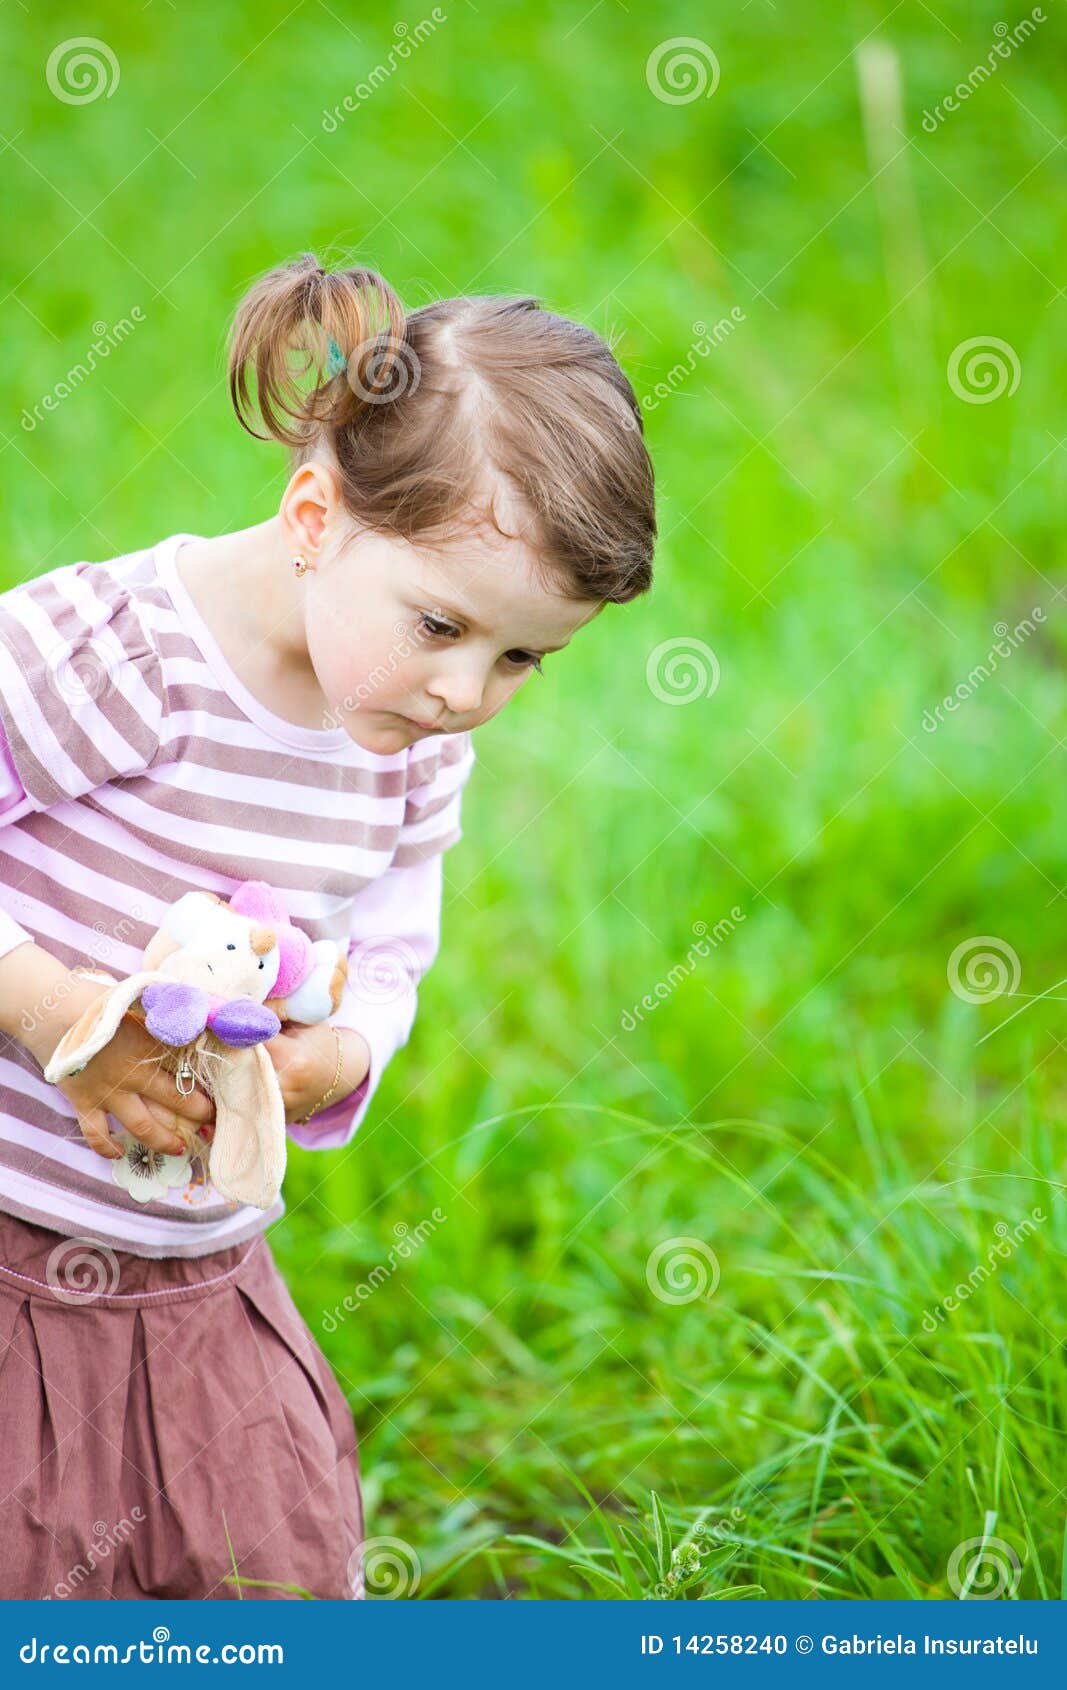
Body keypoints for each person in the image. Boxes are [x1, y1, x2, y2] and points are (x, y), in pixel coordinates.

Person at [0, 251, 657, 1599]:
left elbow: (396, 935)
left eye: (525, 657)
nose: (469, 690)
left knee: (268, 1566)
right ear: (314, 512)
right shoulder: (121, 652)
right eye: (442, 625)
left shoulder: (407, 740)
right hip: (13, 1237)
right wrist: (57, 1010)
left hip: (194, 1269)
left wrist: (346, 1046)